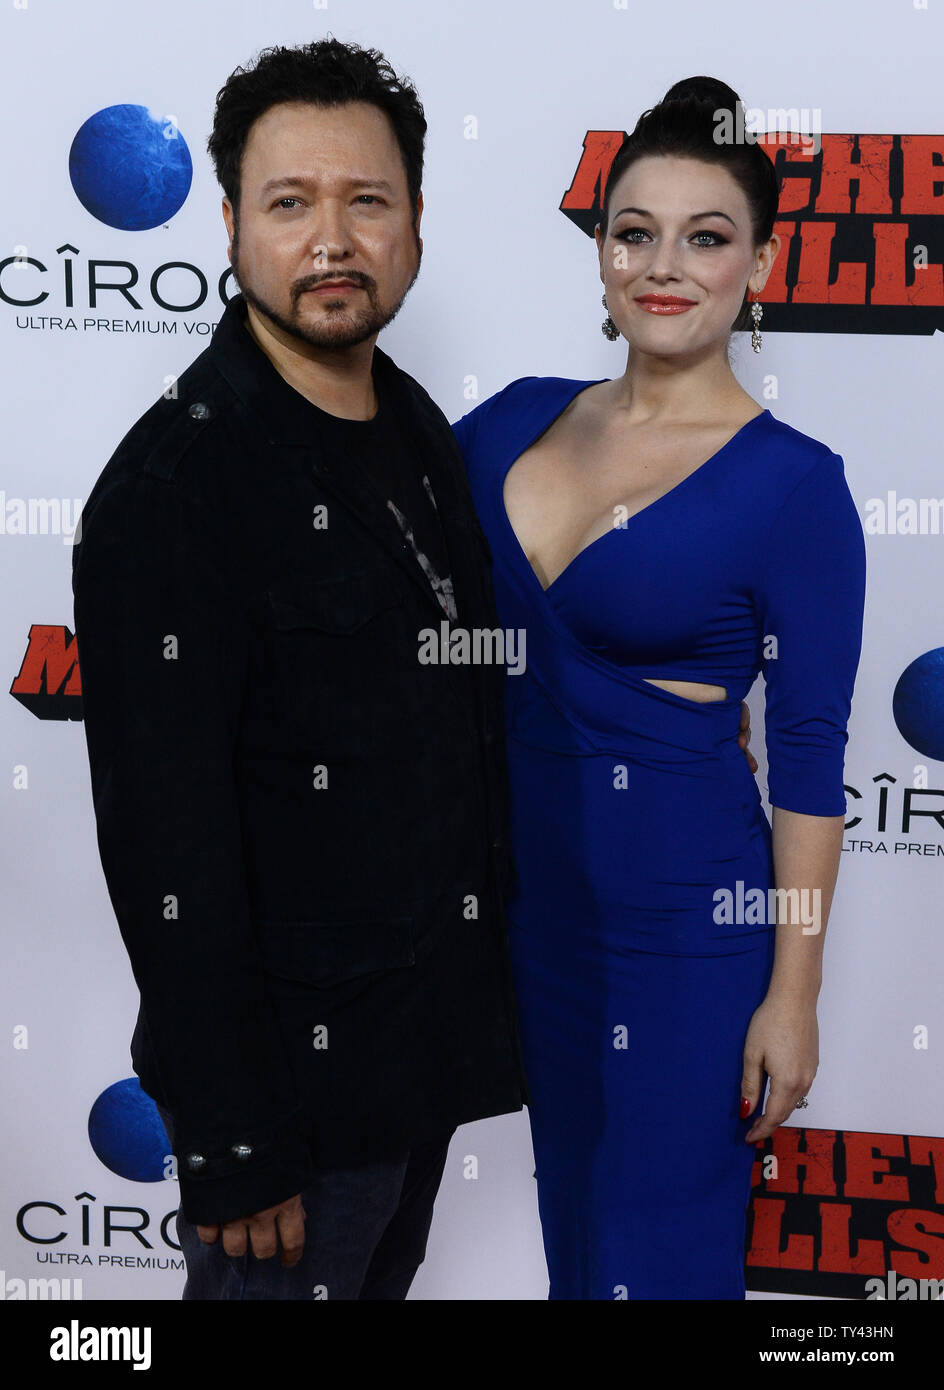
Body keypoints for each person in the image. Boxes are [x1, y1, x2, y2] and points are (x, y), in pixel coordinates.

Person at [71, 38, 533, 1301]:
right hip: (283, 1114)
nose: (331, 238)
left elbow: (455, 683)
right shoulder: (174, 489)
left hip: (415, 1057)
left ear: (416, 223)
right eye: (289, 204)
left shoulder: (419, 429)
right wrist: (230, 1144)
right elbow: (166, 850)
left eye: (365, 201)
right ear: (227, 224)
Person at [451, 76, 867, 1299]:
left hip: (684, 933)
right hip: (527, 923)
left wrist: (790, 995)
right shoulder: (506, 425)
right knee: (575, 1238)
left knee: (661, 1257)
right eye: (633, 232)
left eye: (706, 236)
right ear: (598, 254)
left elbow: (804, 758)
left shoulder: (793, 486)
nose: (663, 265)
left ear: (759, 263)